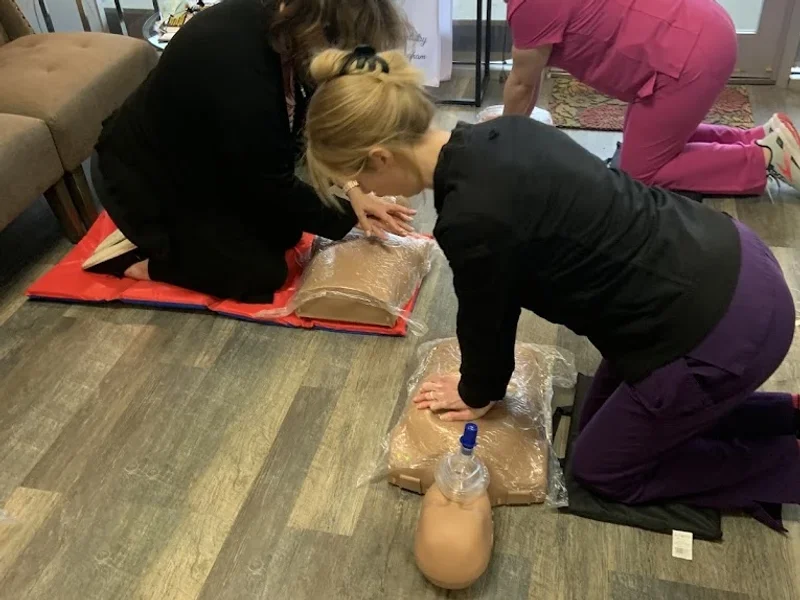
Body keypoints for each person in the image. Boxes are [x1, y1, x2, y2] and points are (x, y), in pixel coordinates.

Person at [301, 47, 800, 529]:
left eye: (356, 179)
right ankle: (787, 415)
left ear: (379, 157)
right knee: (602, 414)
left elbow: (487, 324)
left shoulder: (471, 220)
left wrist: (477, 392)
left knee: (600, 470)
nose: (368, 193)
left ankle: (785, 465)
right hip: (732, 255)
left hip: (726, 329)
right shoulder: (506, 132)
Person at [90, 0, 414, 303]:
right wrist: (348, 215)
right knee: (260, 273)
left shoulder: (284, 28)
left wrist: (352, 190)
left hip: (207, 160)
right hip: (145, 179)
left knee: (284, 232)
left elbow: (310, 132)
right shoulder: (239, 61)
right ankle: (145, 262)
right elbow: (270, 186)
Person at [501, 0, 800, 197]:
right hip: (702, 23)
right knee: (645, 140)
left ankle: (765, 158)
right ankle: (759, 137)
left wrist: (500, 147)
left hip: (687, 58)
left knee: (641, 173)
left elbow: (522, 85)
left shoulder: (529, 6)